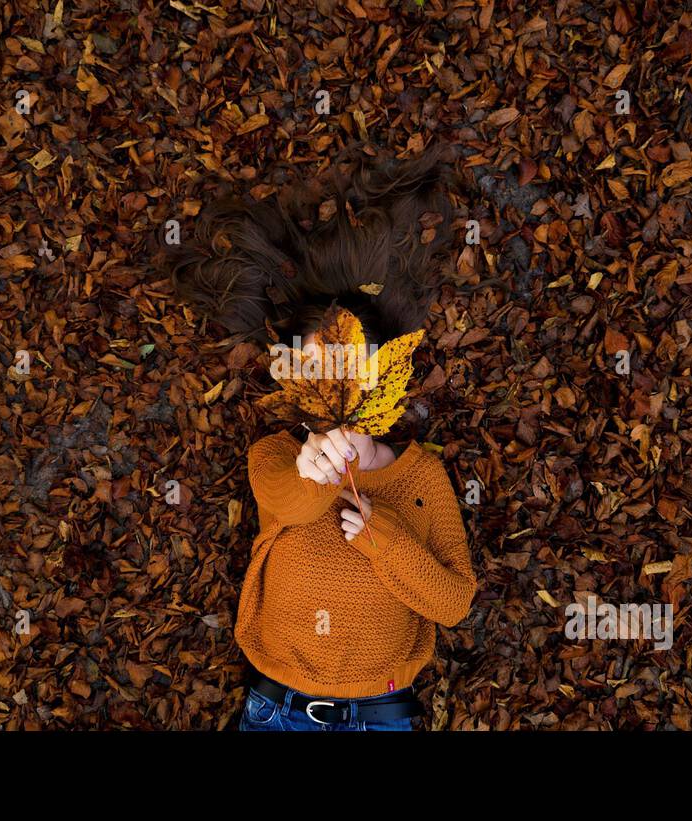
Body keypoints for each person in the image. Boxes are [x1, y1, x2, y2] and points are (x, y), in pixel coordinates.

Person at [166, 143, 475, 731]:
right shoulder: (278, 455)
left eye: (346, 362)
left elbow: (453, 603)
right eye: (314, 369)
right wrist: (312, 470)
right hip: (278, 707)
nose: (331, 380)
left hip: (381, 713)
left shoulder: (421, 478)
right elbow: (290, 500)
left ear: (383, 368)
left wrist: (384, 538)